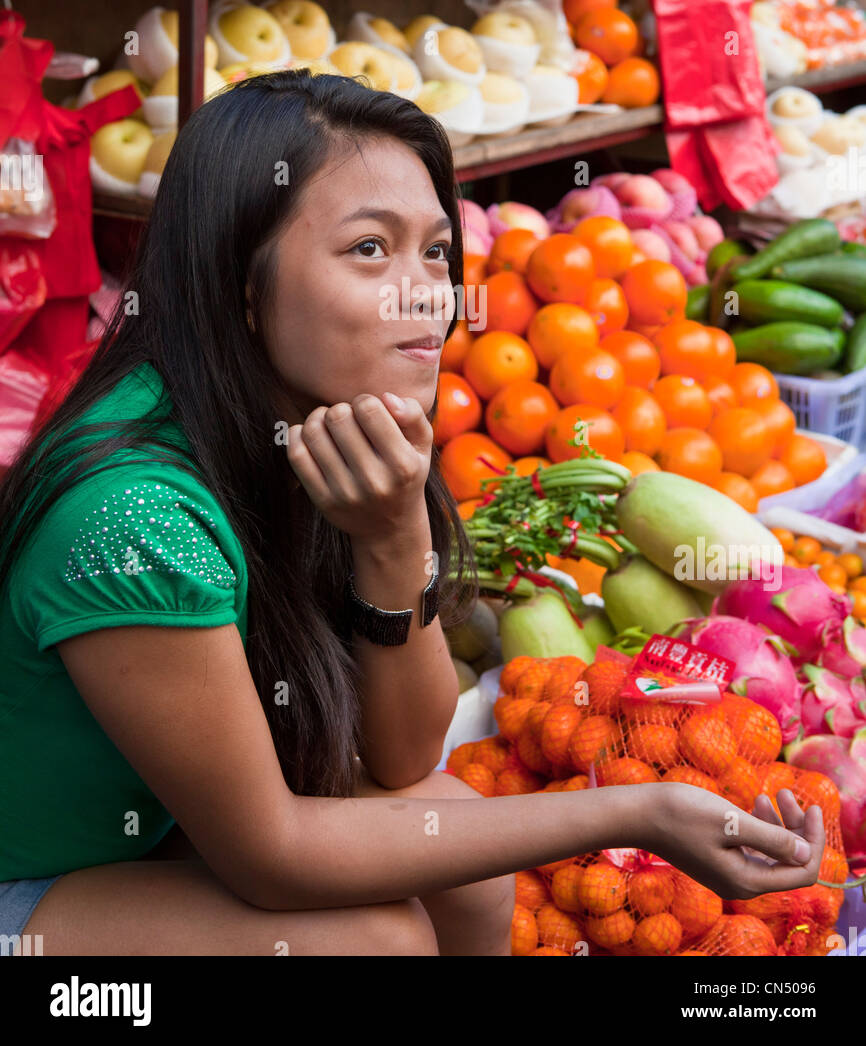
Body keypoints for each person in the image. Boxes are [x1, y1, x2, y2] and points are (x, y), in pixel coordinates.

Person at [0, 71, 824, 957]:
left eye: (435, 251)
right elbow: (269, 854)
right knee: (370, 945)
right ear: (242, 283)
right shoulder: (135, 516)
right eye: (369, 250)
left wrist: (393, 539)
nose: (426, 294)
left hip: (161, 826)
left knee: (460, 860)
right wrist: (638, 810)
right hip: (30, 889)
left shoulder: (324, 420)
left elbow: (403, 759)